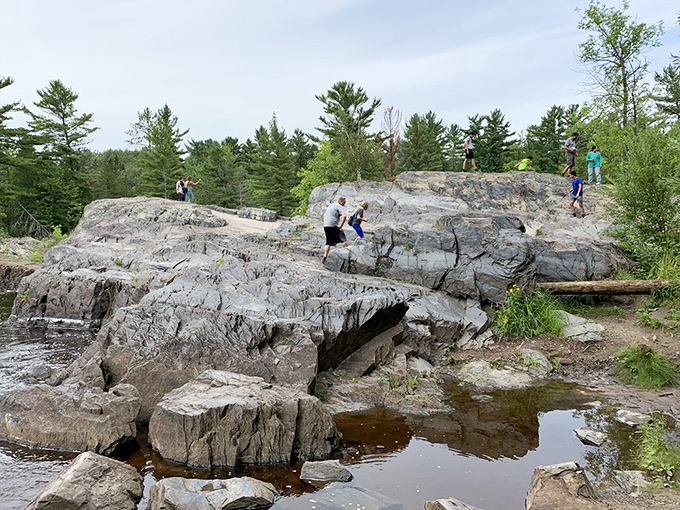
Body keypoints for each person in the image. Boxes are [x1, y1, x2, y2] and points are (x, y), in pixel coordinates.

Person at [322, 196, 349, 263]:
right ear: (341, 201)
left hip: (326, 226)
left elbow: (324, 215)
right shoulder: (338, 205)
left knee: (328, 242)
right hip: (332, 226)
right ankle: (348, 255)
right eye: (344, 203)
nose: (344, 204)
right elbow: (344, 216)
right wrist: (340, 225)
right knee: (342, 239)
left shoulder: (331, 205)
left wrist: (326, 222)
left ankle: (325, 257)